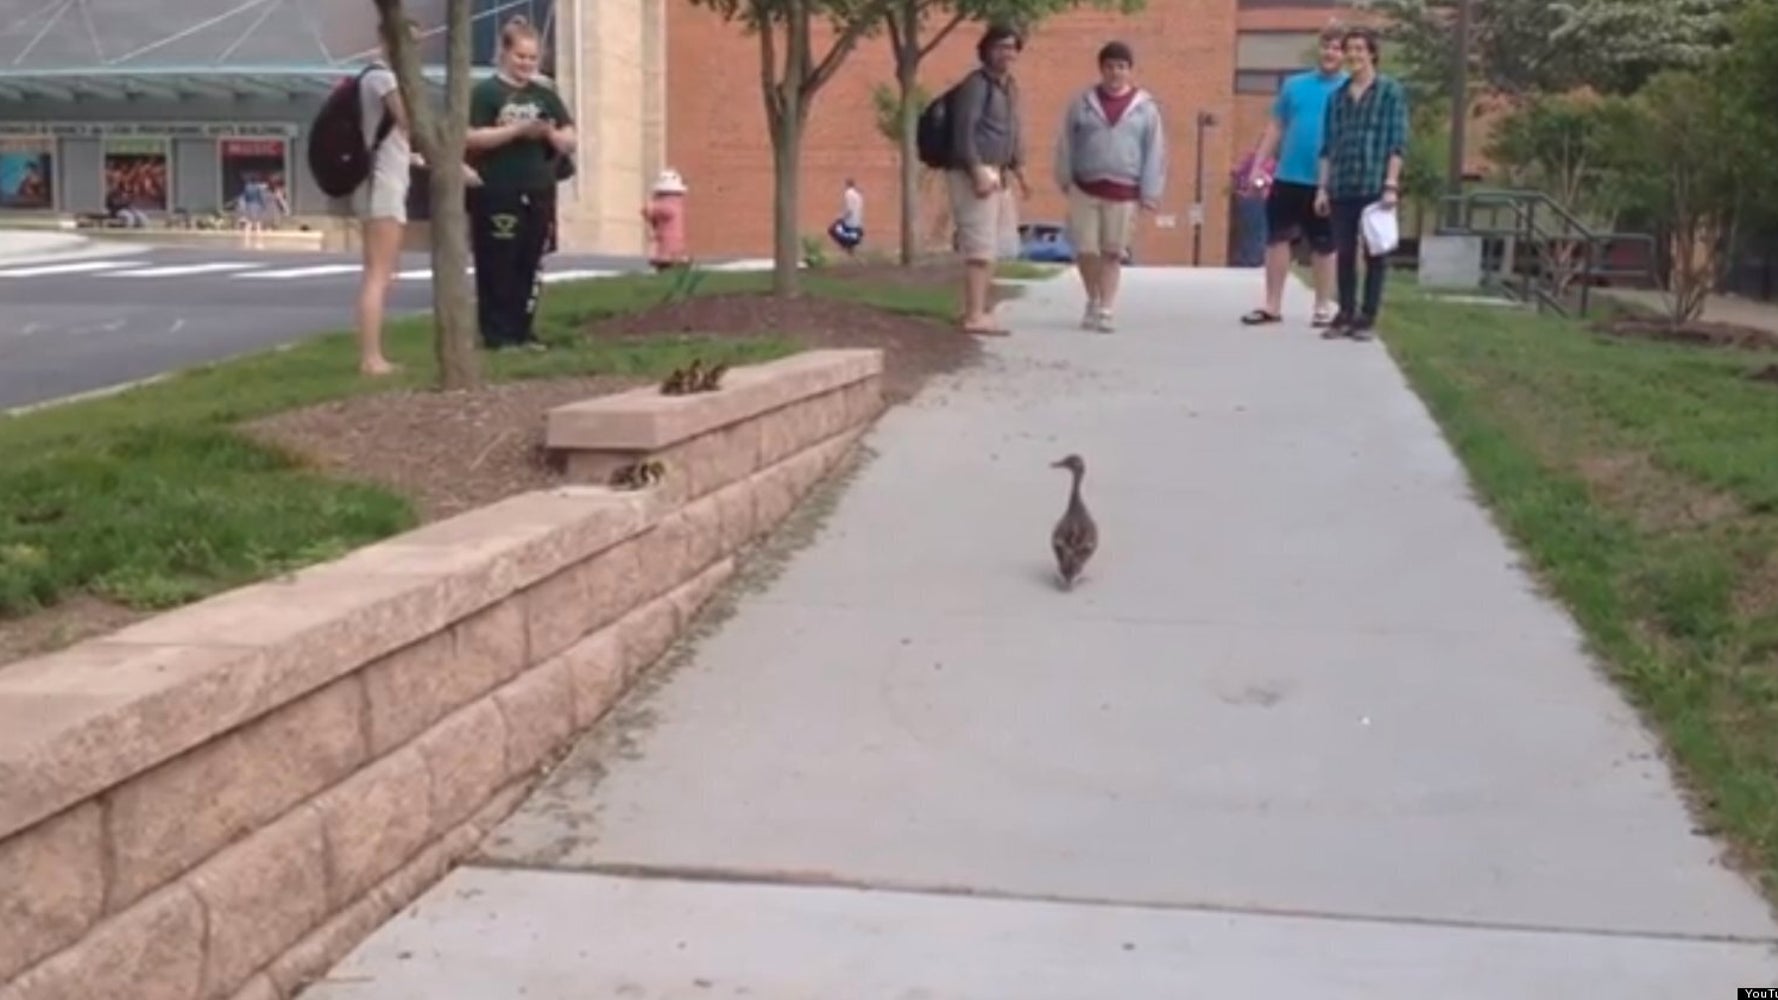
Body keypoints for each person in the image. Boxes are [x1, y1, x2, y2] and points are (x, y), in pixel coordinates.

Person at [466, 15, 576, 352]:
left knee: (530, 259)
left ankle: (522, 330)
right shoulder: (485, 93)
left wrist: (550, 134)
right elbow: (471, 136)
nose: (527, 64)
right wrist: (514, 130)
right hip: (498, 188)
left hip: (539, 186)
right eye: (520, 56)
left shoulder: (545, 94)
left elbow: (569, 138)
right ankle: (497, 334)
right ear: (504, 53)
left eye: (532, 57)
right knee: (499, 259)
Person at [1053, 40, 1167, 333]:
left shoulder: (1145, 109)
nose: (1115, 72)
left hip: (1124, 190)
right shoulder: (1082, 103)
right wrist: (1064, 176)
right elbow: (1067, 141)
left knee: (1113, 252)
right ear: (1101, 69)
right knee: (1086, 250)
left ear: (1130, 71)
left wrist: (1150, 192)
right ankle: (1093, 296)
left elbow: (1154, 150)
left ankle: (1106, 308)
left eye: (1121, 67)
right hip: (1086, 187)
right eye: (1110, 66)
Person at [1240, 25, 1347, 329]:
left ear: (1344, 54)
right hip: (1289, 175)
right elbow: (1276, 127)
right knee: (1277, 239)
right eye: (1326, 46)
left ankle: (1323, 306)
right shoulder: (1295, 86)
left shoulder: (1349, 89)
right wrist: (1258, 165)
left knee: (1324, 244)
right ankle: (1272, 305)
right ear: (1319, 49)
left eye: (1337, 48)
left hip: (1327, 181)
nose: (1330, 53)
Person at [1315, 26, 1408, 342]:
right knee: (1343, 252)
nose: (1353, 55)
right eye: (1348, 49)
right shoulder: (1336, 98)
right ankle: (1345, 313)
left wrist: (1391, 184)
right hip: (1342, 185)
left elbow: (1397, 143)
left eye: (1358, 49)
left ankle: (1367, 317)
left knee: (1375, 252)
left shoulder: (1389, 92)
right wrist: (1322, 188)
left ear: (1371, 53)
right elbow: (1327, 146)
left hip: (1374, 184)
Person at [947, 23, 1027, 337]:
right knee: (979, 249)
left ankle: (979, 309)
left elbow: (1010, 130)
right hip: (975, 173)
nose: (1006, 53)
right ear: (986, 49)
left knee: (993, 247)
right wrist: (976, 169)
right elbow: (963, 132)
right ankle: (973, 315)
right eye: (1000, 46)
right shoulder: (976, 85)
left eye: (1011, 47)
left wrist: (1018, 168)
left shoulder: (1008, 86)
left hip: (999, 172)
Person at [354, 26, 420, 376]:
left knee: (384, 271)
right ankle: (370, 357)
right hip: (382, 185)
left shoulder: (377, 78)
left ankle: (374, 354)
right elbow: (412, 122)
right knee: (379, 273)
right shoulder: (382, 79)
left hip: (385, 181)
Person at [643, 168, 690, 271]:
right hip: (674, 250)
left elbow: (648, 210)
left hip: (666, 253)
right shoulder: (677, 205)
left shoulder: (668, 206)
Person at [827, 178, 865, 257]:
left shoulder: (848, 193)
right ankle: (850, 247)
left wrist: (841, 217)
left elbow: (849, 210)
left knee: (832, 229)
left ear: (847, 185)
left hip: (850, 221)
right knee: (849, 233)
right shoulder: (858, 195)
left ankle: (845, 245)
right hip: (857, 221)